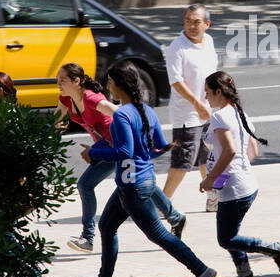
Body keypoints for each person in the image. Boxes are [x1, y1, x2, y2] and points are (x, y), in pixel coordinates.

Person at [75, 60, 217, 277]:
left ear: (120, 86)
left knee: (158, 234)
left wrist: (94, 153)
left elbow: (123, 152)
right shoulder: (147, 111)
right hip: (138, 182)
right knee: (107, 226)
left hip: (133, 187)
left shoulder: (122, 116)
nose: (108, 88)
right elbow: (157, 148)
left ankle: (201, 271)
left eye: (110, 83)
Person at [54, 63, 184, 253]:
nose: (58, 83)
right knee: (141, 183)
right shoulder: (66, 98)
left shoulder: (91, 99)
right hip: (105, 146)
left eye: (62, 80)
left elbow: (121, 114)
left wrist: (133, 139)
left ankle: (87, 238)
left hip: (117, 146)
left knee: (87, 185)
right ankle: (176, 217)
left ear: (76, 81)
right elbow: (56, 120)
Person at [197, 70, 280, 277]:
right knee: (232, 234)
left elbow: (228, 151)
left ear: (219, 91)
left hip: (234, 189)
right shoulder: (239, 113)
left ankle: (275, 249)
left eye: (208, 93)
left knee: (226, 239)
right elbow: (253, 151)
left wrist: (210, 179)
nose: (206, 98)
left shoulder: (220, 117)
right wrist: (236, 169)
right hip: (245, 183)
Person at [0, 72, 52, 277]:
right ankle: (16, 273)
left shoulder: (6, 118)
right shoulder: (4, 114)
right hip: (5, 183)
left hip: (9, 184)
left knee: (1, 229)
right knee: (2, 229)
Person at [162, 3, 219, 211]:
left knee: (208, 155)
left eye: (196, 22)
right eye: (188, 21)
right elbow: (176, 81)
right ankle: (161, 203)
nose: (191, 26)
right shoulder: (177, 46)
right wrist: (197, 104)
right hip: (186, 114)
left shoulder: (209, 42)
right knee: (182, 160)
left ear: (207, 24)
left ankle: (213, 197)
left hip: (208, 111)